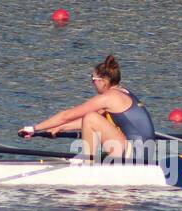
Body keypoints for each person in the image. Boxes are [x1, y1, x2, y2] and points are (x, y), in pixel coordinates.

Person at [18, 55, 156, 161]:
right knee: (91, 118)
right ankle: (91, 161)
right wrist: (61, 128)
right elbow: (89, 122)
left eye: (93, 79)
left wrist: (34, 128)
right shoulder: (123, 93)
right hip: (144, 152)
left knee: (91, 117)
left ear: (104, 81)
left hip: (134, 154)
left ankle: (87, 164)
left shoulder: (109, 97)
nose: (92, 83)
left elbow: (66, 115)